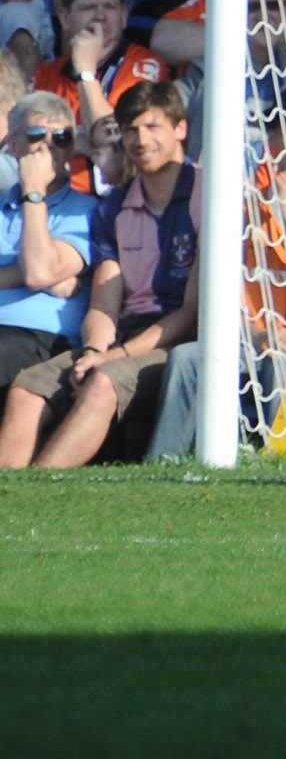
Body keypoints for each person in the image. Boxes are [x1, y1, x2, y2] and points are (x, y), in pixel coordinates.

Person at [0, 80, 199, 468]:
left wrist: (115, 356)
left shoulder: (205, 196)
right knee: (26, 391)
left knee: (103, 382)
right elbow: (105, 302)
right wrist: (94, 350)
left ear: (181, 128)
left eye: (152, 127)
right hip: (121, 332)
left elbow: (191, 315)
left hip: (171, 337)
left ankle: (35, 495)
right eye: (131, 130)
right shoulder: (116, 206)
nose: (141, 140)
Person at [0, 94, 91, 391]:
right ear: (14, 145)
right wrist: (42, 279)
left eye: (62, 137)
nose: (49, 145)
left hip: (39, 337)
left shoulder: (87, 210)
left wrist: (34, 192)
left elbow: (38, 272)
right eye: (37, 135)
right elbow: (42, 276)